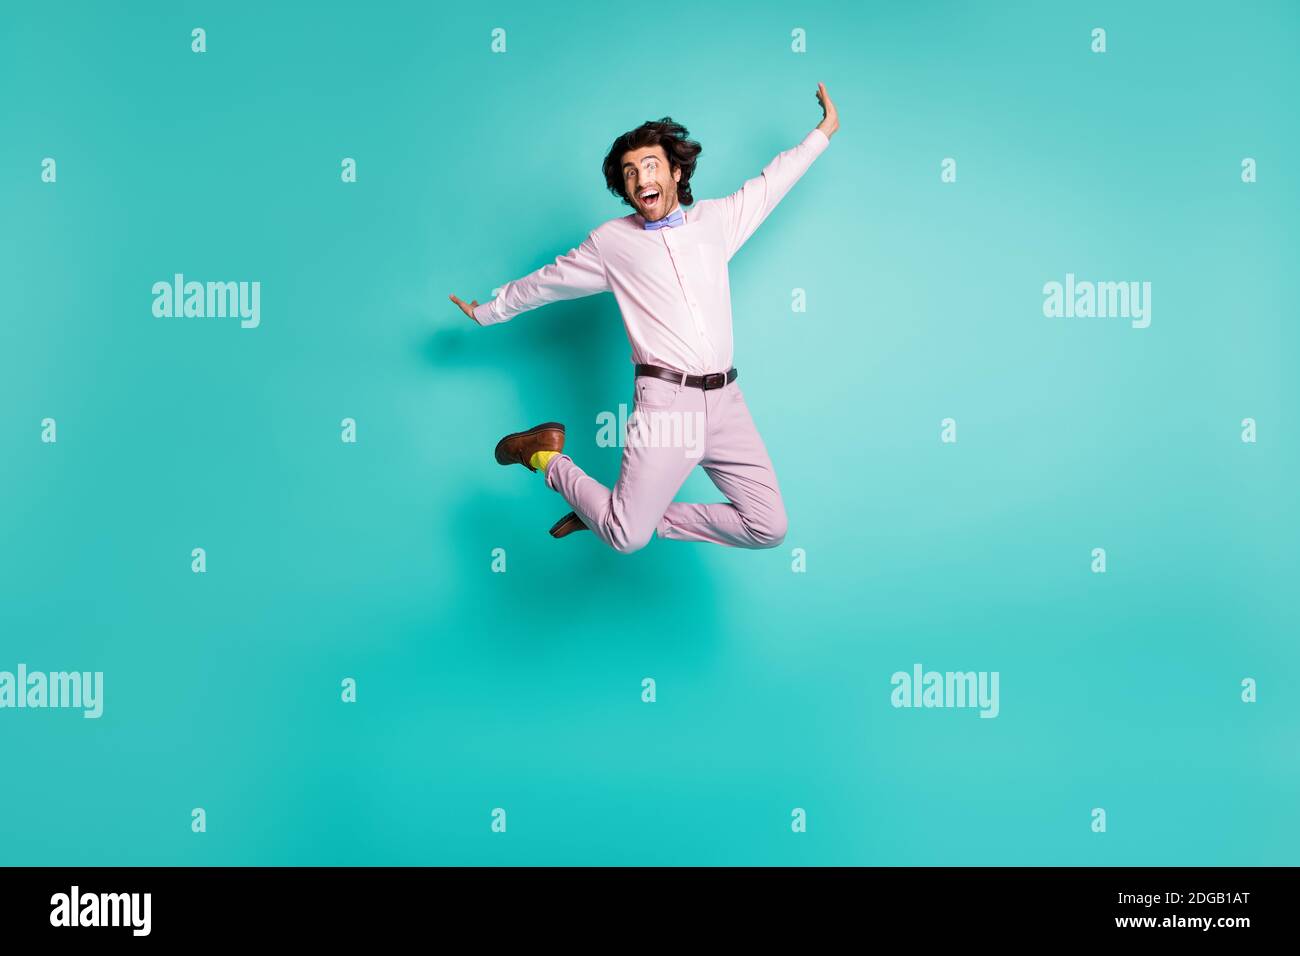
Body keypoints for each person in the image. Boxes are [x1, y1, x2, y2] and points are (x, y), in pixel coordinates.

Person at [450, 82, 839, 553]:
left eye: (650, 166)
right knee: (626, 538)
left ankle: (610, 511)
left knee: (768, 526)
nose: (640, 179)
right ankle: (544, 458)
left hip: (726, 402)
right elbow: (548, 281)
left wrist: (824, 131)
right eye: (630, 172)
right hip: (665, 404)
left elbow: (771, 184)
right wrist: (489, 310)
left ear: (675, 172)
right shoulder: (611, 243)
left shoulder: (717, 222)